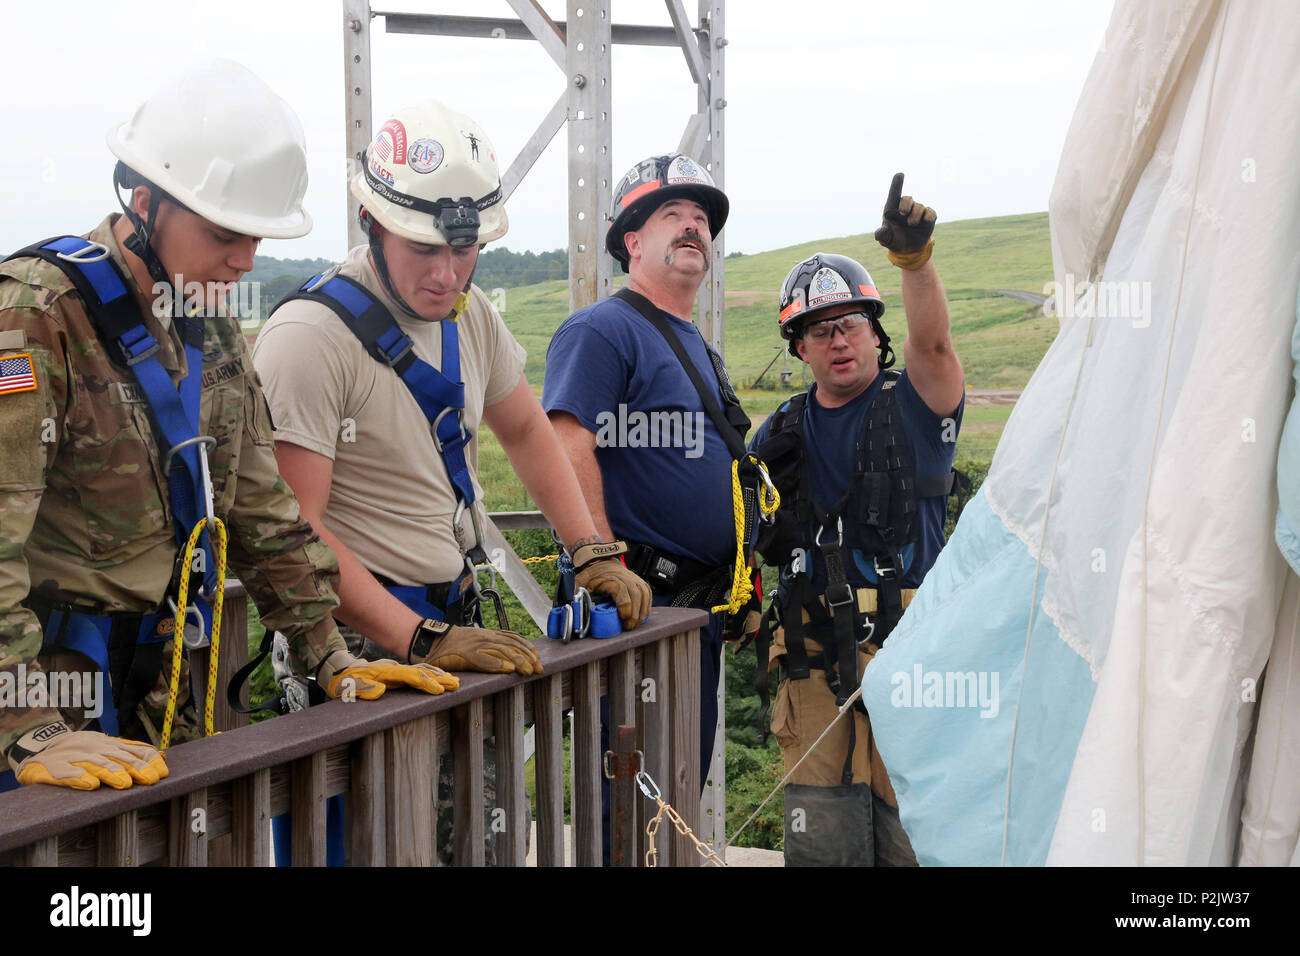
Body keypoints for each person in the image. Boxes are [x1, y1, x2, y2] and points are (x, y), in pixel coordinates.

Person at [0, 61, 455, 795]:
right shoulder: (36, 316)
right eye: (223, 234)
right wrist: (23, 728)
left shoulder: (209, 326)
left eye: (256, 240)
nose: (243, 261)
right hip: (53, 703)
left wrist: (329, 654)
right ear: (144, 203)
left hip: (170, 690)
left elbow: (260, 511)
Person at [252, 101, 651, 862]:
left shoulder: (468, 319)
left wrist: (591, 549)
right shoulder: (310, 339)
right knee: (364, 850)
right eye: (423, 250)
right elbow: (296, 533)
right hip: (359, 643)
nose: (446, 273)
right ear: (372, 224)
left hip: (454, 626)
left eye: (463, 252)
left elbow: (528, 430)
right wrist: (418, 637)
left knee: (473, 844)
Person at [748, 173, 965, 866]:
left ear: (876, 334)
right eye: (818, 331)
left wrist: (916, 263)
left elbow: (934, 348)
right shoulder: (775, 436)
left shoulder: (920, 409)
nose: (837, 341)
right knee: (825, 842)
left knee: (915, 842)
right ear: (800, 349)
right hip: (813, 664)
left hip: (917, 653)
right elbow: (742, 539)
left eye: (849, 325)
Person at [544, 153, 754, 810]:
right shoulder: (604, 330)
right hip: (637, 613)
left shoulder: (697, 346)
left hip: (694, 613)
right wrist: (601, 561)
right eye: (673, 216)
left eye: (701, 219)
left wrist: (738, 585)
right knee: (634, 817)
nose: (693, 228)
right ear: (631, 241)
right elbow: (565, 443)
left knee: (674, 805)